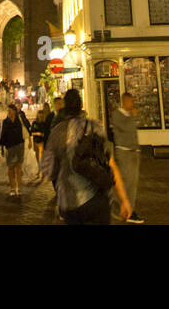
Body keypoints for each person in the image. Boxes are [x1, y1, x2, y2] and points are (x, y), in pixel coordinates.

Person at [39, 89, 131, 225]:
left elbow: (47, 169)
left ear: (65, 106)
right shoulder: (94, 127)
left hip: (70, 203)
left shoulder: (57, 132)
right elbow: (110, 164)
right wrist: (124, 200)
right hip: (97, 197)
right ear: (80, 105)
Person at [110, 92, 144, 223]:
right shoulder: (117, 115)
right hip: (124, 153)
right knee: (128, 182)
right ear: (125, 102)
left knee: (131, 182)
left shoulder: (129, 114)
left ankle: (123, 206)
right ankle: (128, 210)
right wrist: (133, 117)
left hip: (133, 152)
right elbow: (126, 128)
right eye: (130, 101)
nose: (132, 104)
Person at [0, 104, 27, 197]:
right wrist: (2, 146)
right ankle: (12, 187)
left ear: (15, 111)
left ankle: (18, 187)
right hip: (10, 146)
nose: (9, 113)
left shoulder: (19, 119)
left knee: (18, 167)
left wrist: (22, 117)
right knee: (11, 167)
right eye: (8, 111)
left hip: (19, 144)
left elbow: (27, 126)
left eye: (11, 111)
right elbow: (3, 134)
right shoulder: (6, 122)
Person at [30, 108, 49, 181]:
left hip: (42, 141)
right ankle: (40, 170)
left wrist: (43, 134)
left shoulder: (44, 124)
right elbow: (31, 132)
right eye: (39, 116)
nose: (40, 117)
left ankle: (41, 171)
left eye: (42, 116)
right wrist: (37, 133)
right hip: (35, 141)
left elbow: (46, 132)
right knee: (37, 157)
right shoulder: (35, 123)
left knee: (41, 156)